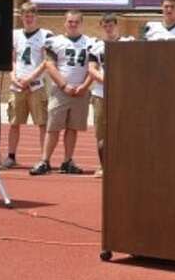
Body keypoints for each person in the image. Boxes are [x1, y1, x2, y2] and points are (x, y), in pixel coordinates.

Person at [31, 10, 92, 175]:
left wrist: (84, 86)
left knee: (73, 128)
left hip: (80, 91)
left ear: (81, 23)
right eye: (70, 21)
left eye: (76, 22)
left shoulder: (90, 43)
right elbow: (50, 65)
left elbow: (92, 68)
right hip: (60, 90)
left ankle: (67, 161)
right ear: (65, 23)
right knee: (53, 127)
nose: (73, 25)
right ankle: (45, 161)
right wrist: (64, 85)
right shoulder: (55, 42)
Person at [87, 12, 134, 177]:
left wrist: (120, 81)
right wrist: (107, 80)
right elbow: (91, 69)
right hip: (101, 93)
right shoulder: (96, 46)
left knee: (124, 130)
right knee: (101, 132)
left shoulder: (128, 43)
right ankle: (103, 166)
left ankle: (124, 164)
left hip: (123, 94)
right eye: (105, 26)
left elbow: (134, 64)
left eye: (111, 25)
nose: (108, 28)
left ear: (116, 25)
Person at [6, 2, 52, 168]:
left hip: (36, 84)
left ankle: (44, 159)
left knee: (42, 123)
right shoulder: (15, 34)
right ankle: (11, 156)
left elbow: (47, 61)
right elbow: (11, 59)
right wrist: (13, 77)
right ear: (21, 17)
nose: (29, 19)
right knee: (14, 122)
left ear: (36, 16)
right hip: (18, 84)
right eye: (26, 16)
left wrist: (31, 78)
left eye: (32, 16)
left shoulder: (46, 35)